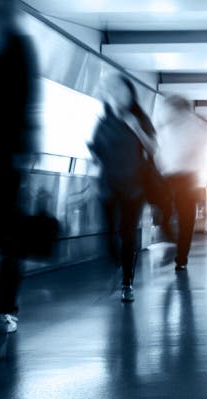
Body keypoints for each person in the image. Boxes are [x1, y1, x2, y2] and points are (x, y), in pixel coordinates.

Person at [0, 0, 39, 335]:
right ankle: (4, 309)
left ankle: (4, 307)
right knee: (9, 238)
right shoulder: (18, 47)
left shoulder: (16, 47)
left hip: (6, 157)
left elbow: (27, 103)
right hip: (7, 156)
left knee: (8, 238)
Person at [90, 74, 157, 303]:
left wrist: (136, 128)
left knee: (127, 233)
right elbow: (96, 150)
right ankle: (117, 265)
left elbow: (153, 149)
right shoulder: (104, 121)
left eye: (120, 90)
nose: (116, 94)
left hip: (133, 187)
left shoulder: (140, 118)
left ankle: (127, 283)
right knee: (109, 235)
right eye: (112, 90)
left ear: (129, 93)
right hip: (108, 185)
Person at [155, 95, 207, 271]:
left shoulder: (194, 127)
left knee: (186, 220)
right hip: (172, 178)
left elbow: (191, 152)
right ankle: (175, 246)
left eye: (170, 109)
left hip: (186, 179)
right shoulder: (167, 127)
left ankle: (181, 258)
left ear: (179, 109)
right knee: (169, 216)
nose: (168, 112)